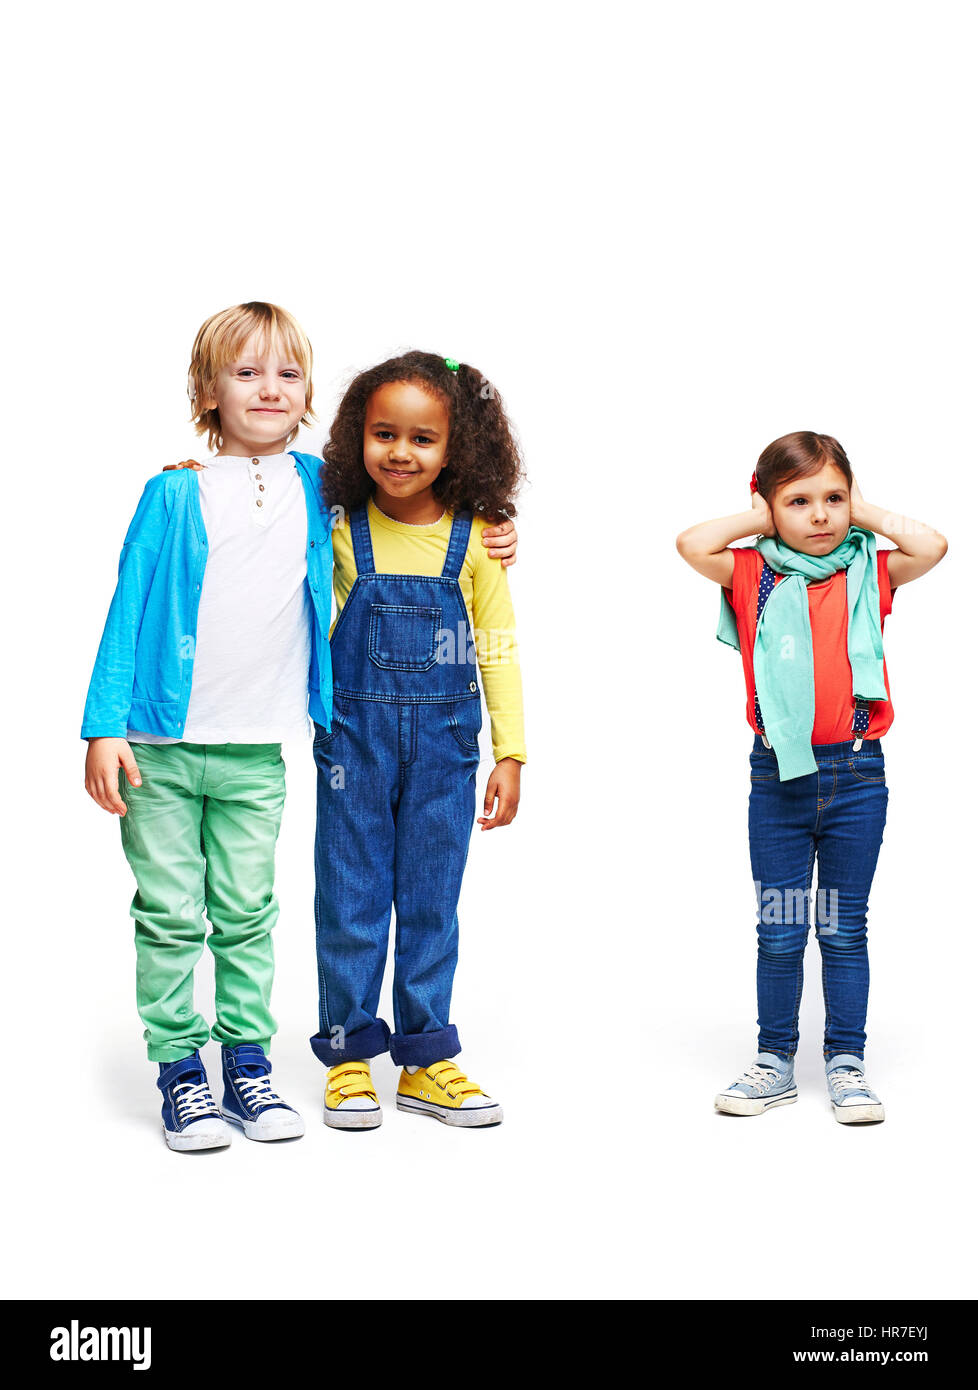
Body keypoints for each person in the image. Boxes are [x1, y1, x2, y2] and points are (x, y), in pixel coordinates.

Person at [82, 300, 518, 1153]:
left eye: (287, 374)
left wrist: (494, 524)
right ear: (207, 392)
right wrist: (104, 722)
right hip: (161, 747)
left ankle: (249, 1066)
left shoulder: (327, 488)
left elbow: (420, 498)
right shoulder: (176, 492)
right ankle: (182, 1070)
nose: (269, 389)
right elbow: (129, 604)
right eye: (245, 373)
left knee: (249, 910)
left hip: (266, 743)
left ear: (314, 393)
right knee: (175, 915)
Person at [676, 431, 947, 1123]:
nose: (820, 515)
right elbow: (691, 543)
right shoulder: (749, 572)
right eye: (800, 501)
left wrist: (867, 511)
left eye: (834, 498)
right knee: (780, 927)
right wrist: (764, 517)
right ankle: (774, 1062)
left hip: (858, 774)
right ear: (769, 506)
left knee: (844, 928)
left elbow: (933, 546)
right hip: (779, 778)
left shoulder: (869, 571)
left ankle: (847, 1063)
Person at [309, 352, 526, 1129]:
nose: (401, 453)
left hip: (445, 748)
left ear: (456, 449)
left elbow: (495, 642)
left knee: (432, 902)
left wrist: (512, 751)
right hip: (354, 748)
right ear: (355, 439)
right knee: (350, 901)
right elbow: (262, 498)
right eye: (383, 434)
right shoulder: (335, 528)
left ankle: (428, 1059)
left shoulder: (476, 541)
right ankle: (349, 1062)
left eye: (423, 438)